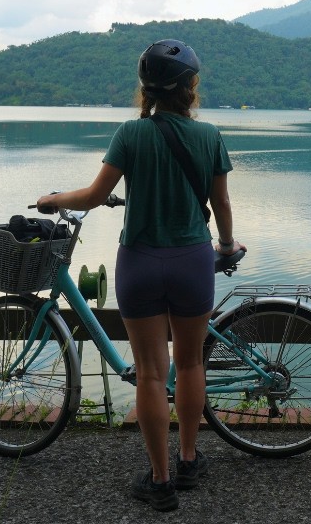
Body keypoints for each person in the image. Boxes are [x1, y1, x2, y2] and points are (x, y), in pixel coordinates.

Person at [36, 39, 243, 512]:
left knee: (150, 372)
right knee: (190, 364)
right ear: (190, 90)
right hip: (192, 262)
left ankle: (161, 481)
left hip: (140, 263)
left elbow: (92, 196)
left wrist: (52, 201)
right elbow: (222, 205)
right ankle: (189, 460)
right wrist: (226, 246)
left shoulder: (131, 135)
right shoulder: (209, 136)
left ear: (145, 90)